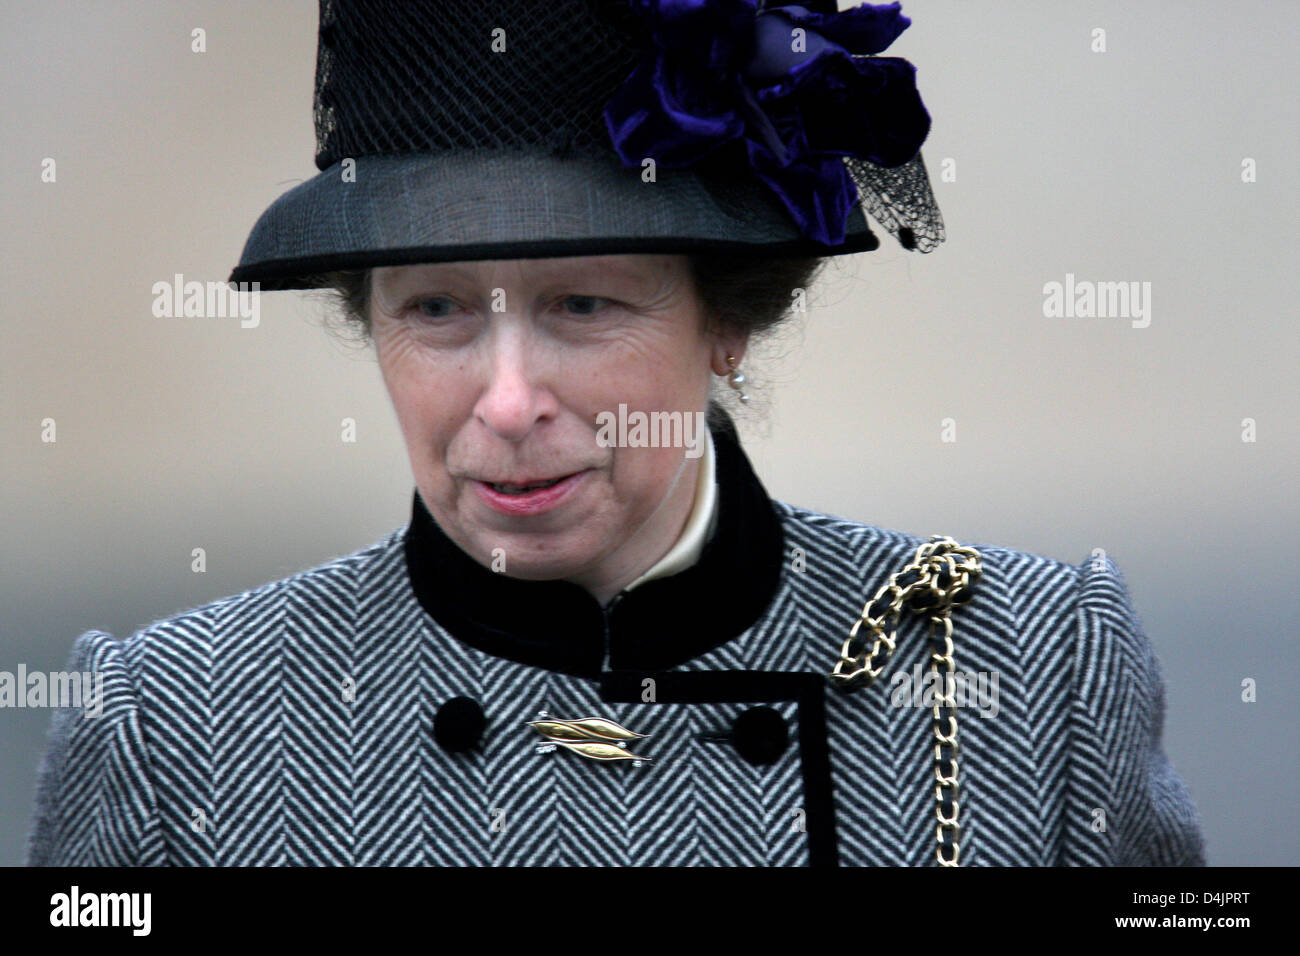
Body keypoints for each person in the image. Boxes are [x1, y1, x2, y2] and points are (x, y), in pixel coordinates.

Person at [26, 0, 1205, 867]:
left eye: (582, 305)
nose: (505, 400)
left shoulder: (1032, 670)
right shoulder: (173, 720)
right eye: (434, 310)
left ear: (725, 318)